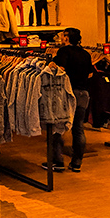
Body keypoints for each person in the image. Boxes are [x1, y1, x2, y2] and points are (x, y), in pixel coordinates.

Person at [44, 28, 94, 173]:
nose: (60, 38)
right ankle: (76, 163)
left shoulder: (63, 52)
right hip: (83, 93)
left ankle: (58, 161)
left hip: (66, 93)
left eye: (62, 36)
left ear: (67, 38)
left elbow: (60, 69)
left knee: (57, 127)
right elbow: (90, 73)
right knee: (78, 129)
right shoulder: (86, 54)